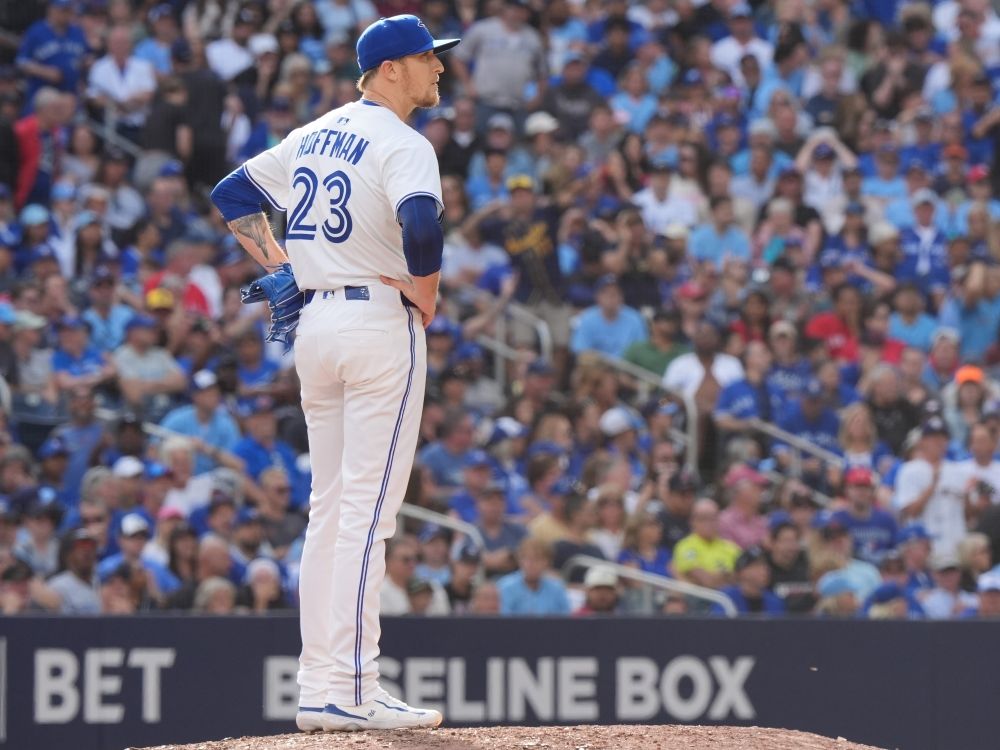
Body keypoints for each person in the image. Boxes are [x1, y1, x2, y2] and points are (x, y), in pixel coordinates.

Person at [210, 14, 458, 731]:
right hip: (379, 323)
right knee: (367, 516)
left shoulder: (314, 133)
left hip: (315, 324)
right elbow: (421, 226)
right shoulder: (403, 142)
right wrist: (429, 295)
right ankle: (351, 688)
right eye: (425, 58)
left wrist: (284, 269)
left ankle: (321, 683)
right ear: (388, 69)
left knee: (330, 511)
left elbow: (233, 194)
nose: (437, 68)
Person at [496, 537, 571, 615]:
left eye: (537, 559)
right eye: (526, 558)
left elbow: (565, 618)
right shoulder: (504, 587)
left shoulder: (557, 588)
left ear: (548, 563)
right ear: (519, 560)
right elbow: (502, 621)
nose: (531, 564)